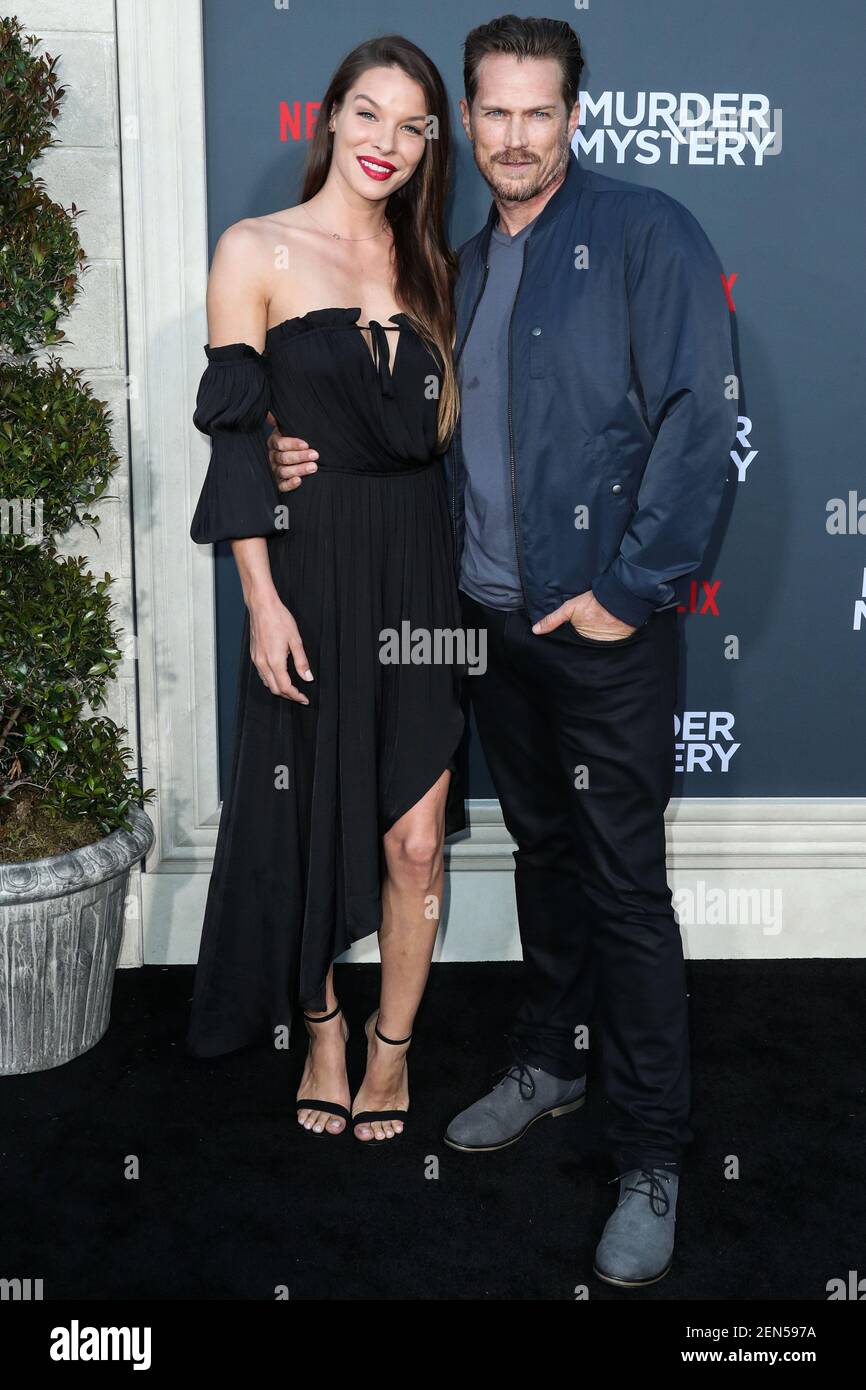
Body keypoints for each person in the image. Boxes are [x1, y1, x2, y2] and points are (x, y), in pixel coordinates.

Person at [267, 16, 738, 1283]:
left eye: (539, 113)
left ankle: (649, 1152)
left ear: (571, 119)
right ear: (463, 125)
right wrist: (285, 448)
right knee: (540, 850)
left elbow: (702, 419)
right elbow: (388, 432)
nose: (514, 136)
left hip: (598, 634)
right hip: (486, 628)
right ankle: (550, 1057)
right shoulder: (454, 268)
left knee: (623, 886)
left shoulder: (648, 234)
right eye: (492, 113)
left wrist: (626, 592)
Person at [186, 35, 468, 1147]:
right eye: (367, 114)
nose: (385, 143)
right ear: (331, 118)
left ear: (428, 143)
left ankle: (391, 1045)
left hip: (425, 574)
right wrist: (258, 597)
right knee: (302, 820)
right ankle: (321, 1028)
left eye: (410, 125)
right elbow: (232, 438)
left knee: (416, 840)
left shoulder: (437, 265)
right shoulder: (254, 249)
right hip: (305, 569)